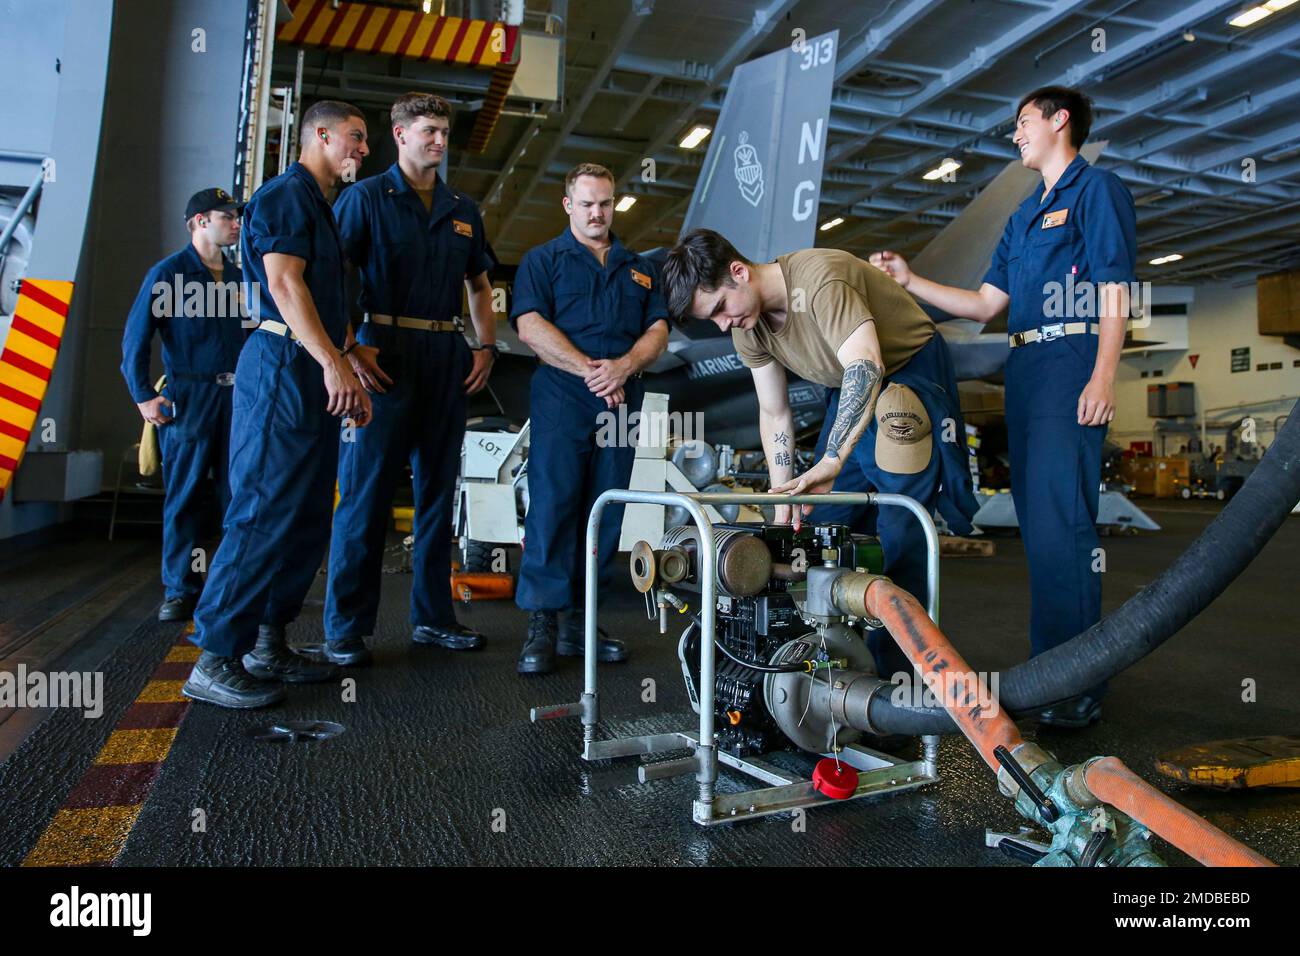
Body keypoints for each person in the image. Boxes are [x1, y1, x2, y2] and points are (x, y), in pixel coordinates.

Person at [869, 85, 1135, 727]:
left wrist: (1102, 377)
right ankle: (1055, 673)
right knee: (1041, 528)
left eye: (1023, 121)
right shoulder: (1022, 215)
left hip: (1071, 362)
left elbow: (1116, 291)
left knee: (1063, 527)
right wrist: (910, 282)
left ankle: (1076, 685)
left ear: (1059, 121)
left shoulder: (1095, 192)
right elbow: (988, 305)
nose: (1015, 134)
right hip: (1027, 368)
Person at [661, 230, 979, 680]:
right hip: (845, 390)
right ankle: (826, 669)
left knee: (900, 531)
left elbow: (867, 365)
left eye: (718, 309)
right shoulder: (748, 326)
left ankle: (897, 691)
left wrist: (831, 460)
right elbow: (774, 413)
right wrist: (781, 500)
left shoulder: (820, 281)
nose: (722, 325)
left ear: (738, 272)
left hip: (906, 379)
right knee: (813, 528)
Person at [182, 100, 373, 708]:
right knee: (262, 509)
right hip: (283, 368)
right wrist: (333, 363)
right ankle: (214, 657)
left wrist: (348, 361)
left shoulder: (322, 206)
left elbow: (321, 298)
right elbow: (286, 285)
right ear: (320, 134)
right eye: (356, 138)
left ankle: (269, 642)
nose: (363, 151)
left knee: (307, 512)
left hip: (311, 365)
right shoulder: (286, 194)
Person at [323, 92, 497, 666]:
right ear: (400, 135)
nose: (439, 142)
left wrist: (486, 344)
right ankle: (346, 628)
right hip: (381, 354)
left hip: (445, 354)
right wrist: (348, 348)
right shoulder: (365, 199)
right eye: (428, 131)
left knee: (438, 496)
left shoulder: (462, 208)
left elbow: (478, 286)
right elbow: (333, 278)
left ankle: (433, 619)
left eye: (444, 132)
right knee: (366, 495)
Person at [511, 163, 669, 674]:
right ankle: (543, 623)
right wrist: (591, 371)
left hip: (622, 398)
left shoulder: (640, 268)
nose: (598, 212)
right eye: (587, 204)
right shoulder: (543, 260)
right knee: (553, 504)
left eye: (605, 203)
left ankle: (582, 623)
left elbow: (659, 329)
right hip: (563, 395)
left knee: (607, 507)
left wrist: (623, 367)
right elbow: (530, 325)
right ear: (568, 205)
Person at [121, 188, 247, 621]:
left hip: (236, 400)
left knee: (238, 494)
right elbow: (135, 339)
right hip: (189, 398)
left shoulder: (237, 280)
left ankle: (233, 584)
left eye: (236, 216)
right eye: (226, 216)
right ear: (199, 222)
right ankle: (181, 588)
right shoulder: (168, 275)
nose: (235, 222)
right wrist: (143, 396)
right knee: (187, 495)